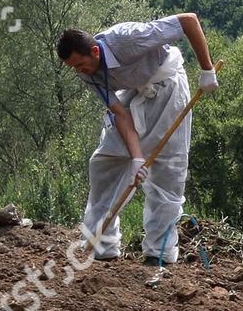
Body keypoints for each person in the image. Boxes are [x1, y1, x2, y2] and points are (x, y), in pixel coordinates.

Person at [57, 15, 218, 265]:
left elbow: (189, 21)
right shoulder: (88, 74)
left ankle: (158, 253)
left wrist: (206, 69)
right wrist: (136, 158)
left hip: (168, 87)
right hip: (135, 92)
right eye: (74, 68)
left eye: (81, 65)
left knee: (168, 170)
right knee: (105, 161)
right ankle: (103, 245)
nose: (80, 72)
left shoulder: (128, 38)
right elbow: (120, 114)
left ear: (95, 51)